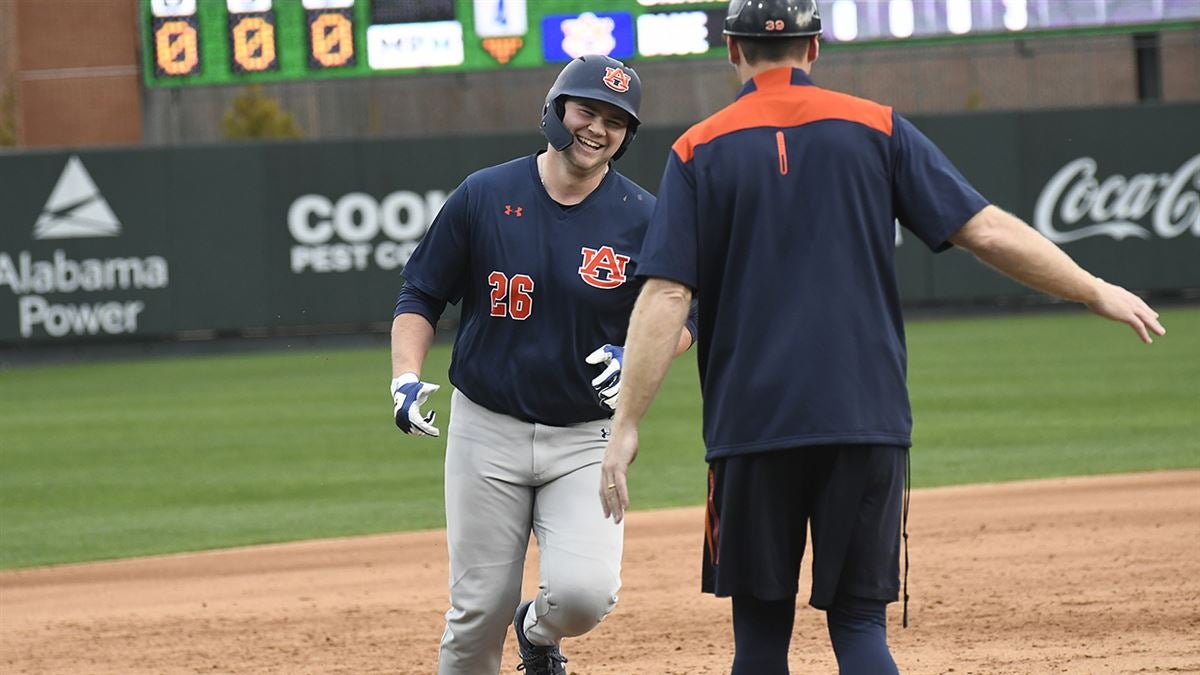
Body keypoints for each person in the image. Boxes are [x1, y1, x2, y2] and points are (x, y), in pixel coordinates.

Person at [597, 1, 1166, 674]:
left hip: (751, 427)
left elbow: (666, 293)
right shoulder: (877, 126)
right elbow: (983, 229)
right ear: (814, 49)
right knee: (862, 628)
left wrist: (627, 421)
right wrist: (1092, 288)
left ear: (732, 51)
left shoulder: (696, 149)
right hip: (864, 418)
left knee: (758, 639)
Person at [389, 54, 695, 675]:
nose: (598, 128)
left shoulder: (643, 215)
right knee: (476, 613)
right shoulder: (486, 194)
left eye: (616, 120)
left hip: (588, 435)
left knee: (584, 596)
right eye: (587, 110)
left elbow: (687, 315)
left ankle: (535, 632)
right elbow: (420, 293)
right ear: (556, 110)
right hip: (486, 427)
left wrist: (642, 350)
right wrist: (404, 374)